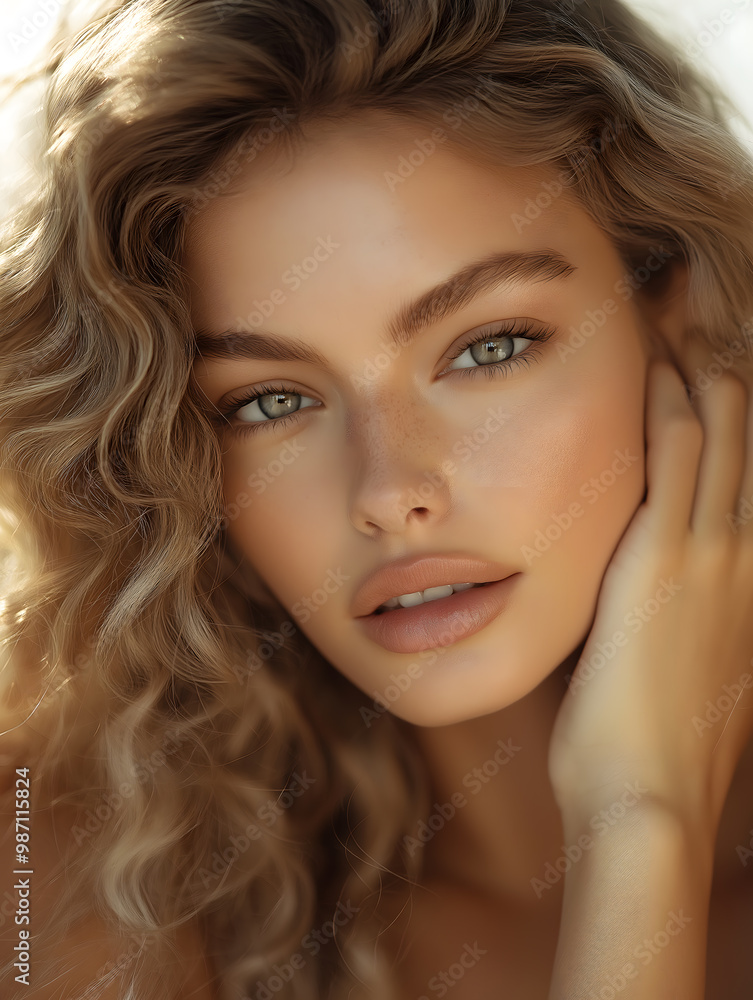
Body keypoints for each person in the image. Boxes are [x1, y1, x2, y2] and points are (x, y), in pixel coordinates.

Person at [2, 0, 753, 997]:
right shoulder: (68, 889)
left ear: (678, 318)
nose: (391, 492)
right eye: (270, 402)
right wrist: (644, 822)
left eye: (487, 348)